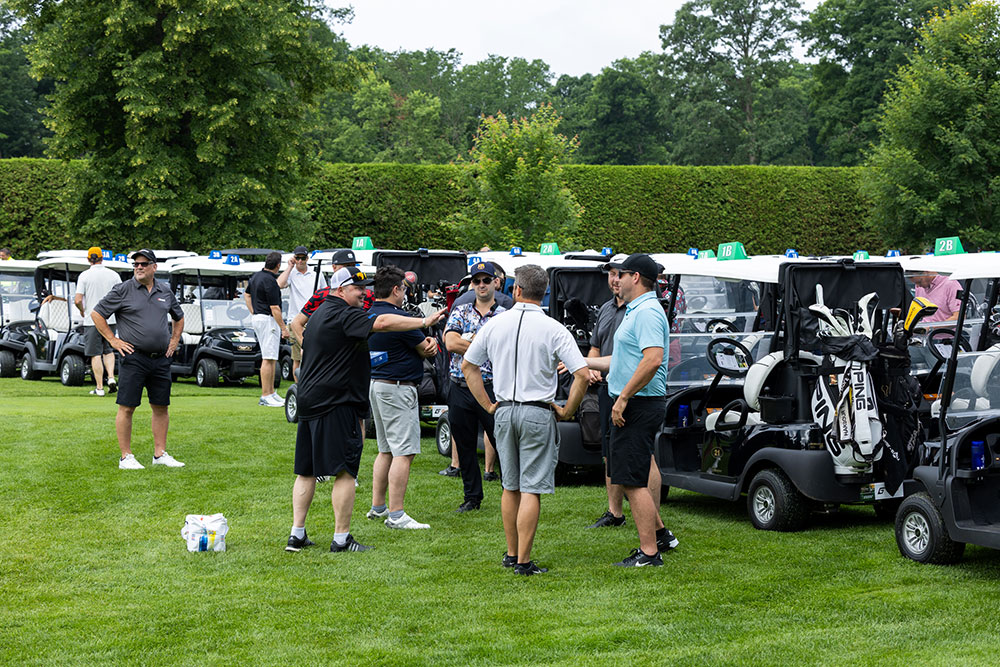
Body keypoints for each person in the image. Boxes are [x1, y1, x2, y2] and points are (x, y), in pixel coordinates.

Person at [285, 266, 446, 553]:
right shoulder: (345, 315)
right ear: (340, 290)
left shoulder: (320, 311)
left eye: (364, 287)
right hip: (337, 402)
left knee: (306, 471)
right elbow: (382, 322)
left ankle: (297, 535)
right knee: (345, 471)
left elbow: (298, 328)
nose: (363, 293)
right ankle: (341, 538)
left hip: (310, 398)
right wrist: (424, 321)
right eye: (357, 288)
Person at [463, 264, 591, 576]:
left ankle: (511, 553)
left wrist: (489, 405)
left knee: (510, 486)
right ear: (544, 292)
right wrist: (568, 410)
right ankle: (523, 560)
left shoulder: (494, 324)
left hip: (505, 409)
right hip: (538, 410)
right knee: (531, 488)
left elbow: (469, 366)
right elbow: (582, 374)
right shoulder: (554, 328)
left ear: (516, 290)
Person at [585, 253, 678, 567]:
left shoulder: (648, 311)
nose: (616, 280)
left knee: (633, 481)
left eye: (620, 274)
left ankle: (649, 553)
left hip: (638, 404)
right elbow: (622, 361)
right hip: (633, 401)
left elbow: (652, 360)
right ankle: (661, 535)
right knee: (628, 475)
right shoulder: (637, 310)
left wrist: (623, 398)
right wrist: (580, 361)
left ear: (635, 277)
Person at [90, 249, 185, 470]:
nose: (139, 267)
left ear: (154, 267)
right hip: (134, 357)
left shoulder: (165, 290)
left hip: (161, 359)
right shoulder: (123, 289)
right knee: (127, 407)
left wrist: (174, 341)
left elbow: (178, 317)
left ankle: (159, 454)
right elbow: (97, 313)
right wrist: (113, 340)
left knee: (161, 406)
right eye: (135, 264)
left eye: (143, 263)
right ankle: (126, 457)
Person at [365, 265, 439, 530]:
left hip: (377, 385)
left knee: (386, 449)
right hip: (398, 388)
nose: (405, 293)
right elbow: (426, 349)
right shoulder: (401, 319)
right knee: (404, 452)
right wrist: (428, 345)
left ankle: (378, 507)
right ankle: (396, 515)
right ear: (396, 289)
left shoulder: (369, 313)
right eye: (405, 288)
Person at [444, 260, 507, 513]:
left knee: (501, 442)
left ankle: (510, 491)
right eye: (476, 281)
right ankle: (472, 497)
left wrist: (467, 342)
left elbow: (505, 349)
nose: (481, 285)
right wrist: (483, 348)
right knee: (465, 444)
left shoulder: (504, 315)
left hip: (491, 386)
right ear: (472, 284)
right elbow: (450, 343)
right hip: (459, 386)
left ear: (496, 282)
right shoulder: (460, 310)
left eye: (486, 280)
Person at [586, 263, 629, 528]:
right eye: (612, 274)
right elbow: (595, 347)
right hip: (606, 388)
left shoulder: (638, 310)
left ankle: (652, 514)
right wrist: (591, 367)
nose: (615, 279)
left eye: (620, 274)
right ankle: (616, 513)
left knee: (642, 456)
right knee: (608, 452)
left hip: (631, 388)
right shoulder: (605, 308)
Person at [74, 246, 122, 397]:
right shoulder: (113, 275)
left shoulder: (84, 276)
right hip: (110, 319)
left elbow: (77, 300)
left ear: (89, 259)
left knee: (95, 354)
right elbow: (121, 296)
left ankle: (100, 387)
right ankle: (112, 378)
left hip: (92, 320)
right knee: (108, 350)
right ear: (103, 258)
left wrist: (82, 310)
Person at [245, 251, 289, 407]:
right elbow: (275, 308)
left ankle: (271, 392)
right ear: (278, 265)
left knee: (271, 357)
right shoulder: (271, 281)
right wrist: (284, 329)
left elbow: (247, 295)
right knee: (268, 358)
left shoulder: (256, 276)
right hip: (268, 320)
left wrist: (253, 311)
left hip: (259, 318)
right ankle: (265, 395)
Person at [278, 245, 325, 380]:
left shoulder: (316, 273)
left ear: (307, 258)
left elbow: (324, 293)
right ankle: (299, 387)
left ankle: (311, 383)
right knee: (298, 357)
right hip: (296, 320)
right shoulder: (291, 273)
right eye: (297, 258)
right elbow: (280, 284)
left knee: (312, 355)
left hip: (313, 319)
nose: (300, 261)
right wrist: (289, 267)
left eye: (302, 258)